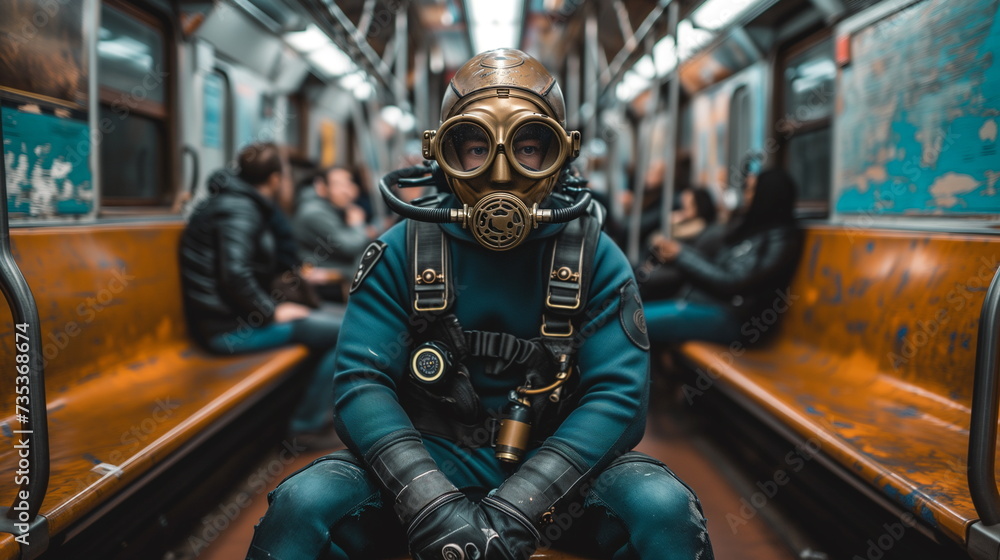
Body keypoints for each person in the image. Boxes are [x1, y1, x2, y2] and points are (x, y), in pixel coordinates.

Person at [245, 49, 714, 560]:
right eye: (474, 148)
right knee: (301, 504)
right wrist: (429, 502)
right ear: (441, 152)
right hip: (426, 457)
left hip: (556, 469)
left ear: (563, 153)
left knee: (663, 508)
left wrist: (517, 508)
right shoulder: (402, 249)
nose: (501, 172)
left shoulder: (594, 255)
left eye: (530, 147)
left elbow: (618, 397)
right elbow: (362, 383)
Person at [178, 142, 341, 438]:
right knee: (344, 334)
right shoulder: (240, 210)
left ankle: (316, 413)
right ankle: (307, 425)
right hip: (228, 330)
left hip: (233, 318)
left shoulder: (240, 203)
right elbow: (235, 274)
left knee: (339, 319)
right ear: (276, 179)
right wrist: (273, 311)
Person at [643, 167, 802, 345]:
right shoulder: (754, 231)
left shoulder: (779, 240)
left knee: (633, 324)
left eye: (751, 189)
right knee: (632, 319)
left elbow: (731, 282)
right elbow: (719, 266)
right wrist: (681, 253)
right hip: (715, 307)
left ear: (767, 194)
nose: (746, 196)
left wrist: (681, 255)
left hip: (735, 319)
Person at [293, 166, 373, 274]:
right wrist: (358, 225)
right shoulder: (314, 212)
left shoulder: (334, 208)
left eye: (348, 183)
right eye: (338, 185)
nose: (345, 191)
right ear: (321, 187)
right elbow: (348, 247)